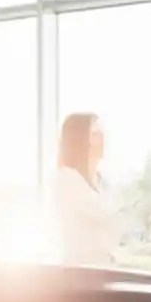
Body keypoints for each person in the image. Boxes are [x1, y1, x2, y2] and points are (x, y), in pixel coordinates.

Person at [53, 112, 121, 266]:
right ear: (79, 140)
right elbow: (103, 214)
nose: (103, 139)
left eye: (102, 133)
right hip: (79, 274)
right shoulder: (66, 180)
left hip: (105, 270)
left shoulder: (104, 183)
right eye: (95, 134)